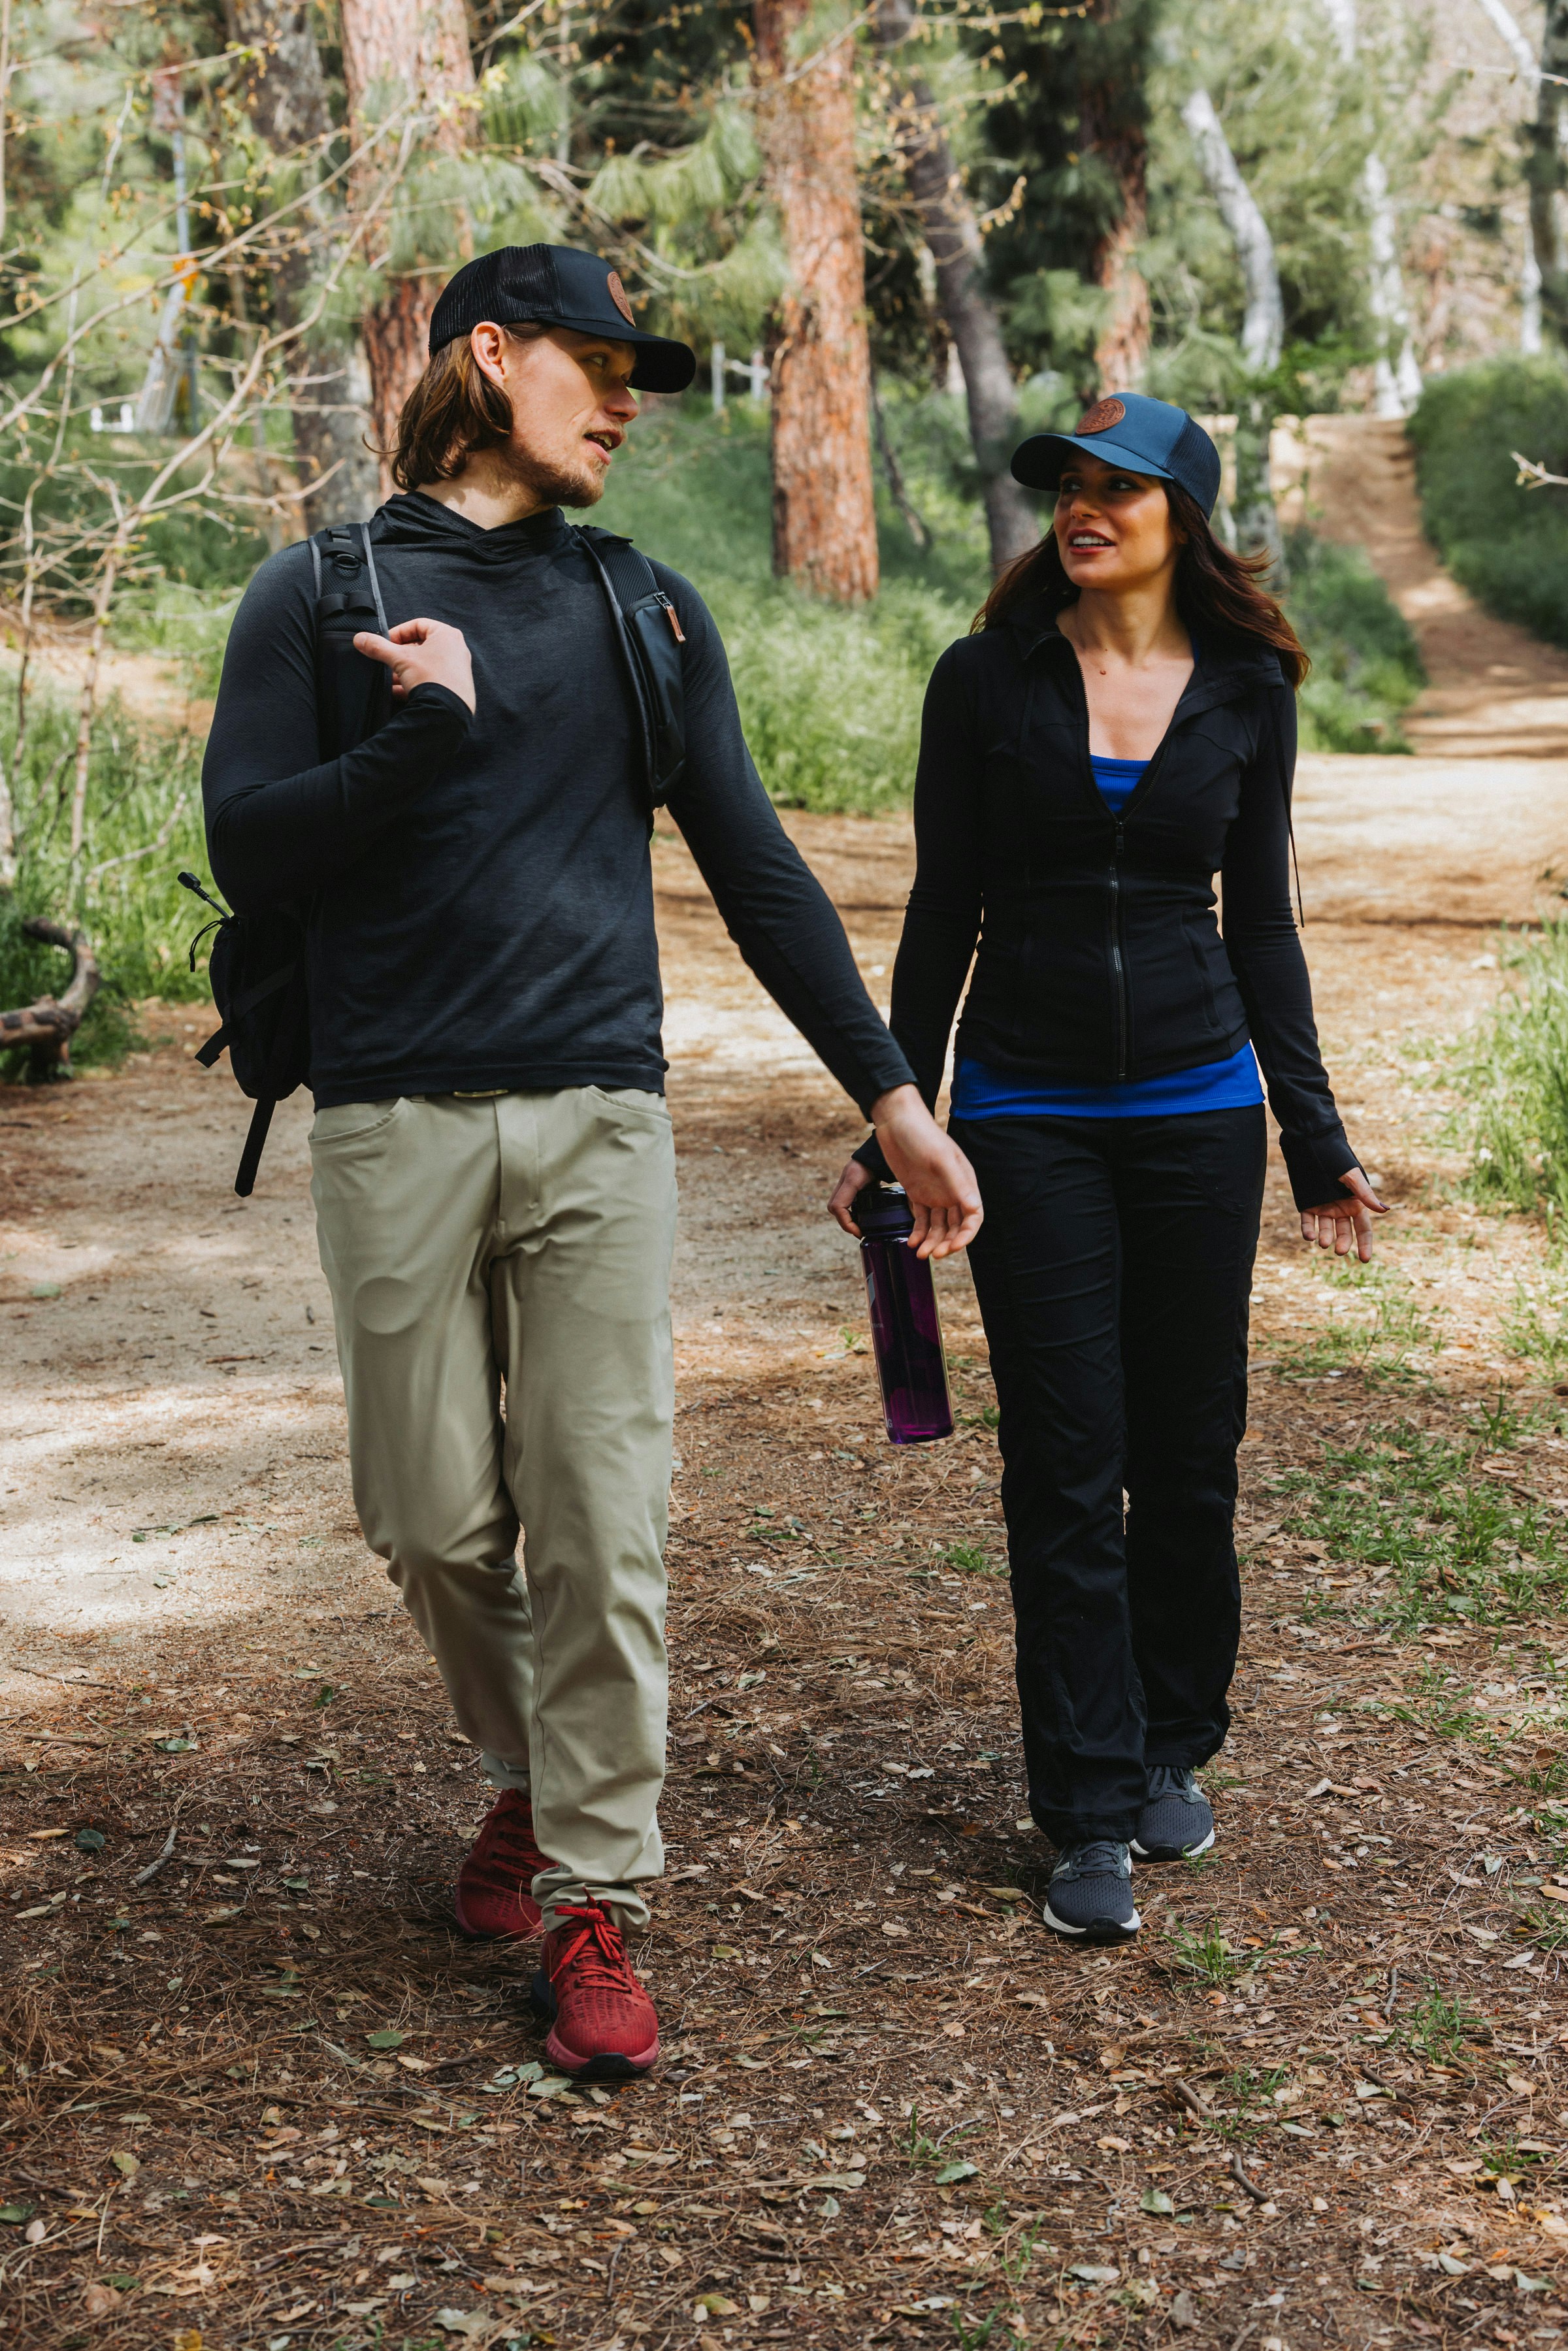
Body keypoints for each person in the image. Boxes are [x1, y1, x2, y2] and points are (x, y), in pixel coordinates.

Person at [201, 244, 981, 2075]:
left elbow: (757, 863)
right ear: (491, 355)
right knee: (430, 1512)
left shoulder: (645, 608)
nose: (627, 401)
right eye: (598, 366)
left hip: (600, 1118)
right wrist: (422, 739)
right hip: (391, 1110)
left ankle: (594, 1891)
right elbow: (252, 852)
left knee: (606, 1517)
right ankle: (543, 1778)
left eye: (639, 375)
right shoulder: (317, 590)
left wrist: (891, 1091)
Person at [830, 391, 1382, 1943]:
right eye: (1070, 484)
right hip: (1027, 1112)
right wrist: (898, 1105)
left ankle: (1167, 1738)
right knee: (1068, 1462)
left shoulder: (1251, 687)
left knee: (1190, 1445)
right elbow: (944, 904)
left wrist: (1316, 1140)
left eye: (1121, 487)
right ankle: (1082, 1803)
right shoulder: (985, 680)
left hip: (1202, 1108)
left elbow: (1262, 920)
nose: (1086, 506)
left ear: (1182, 517)